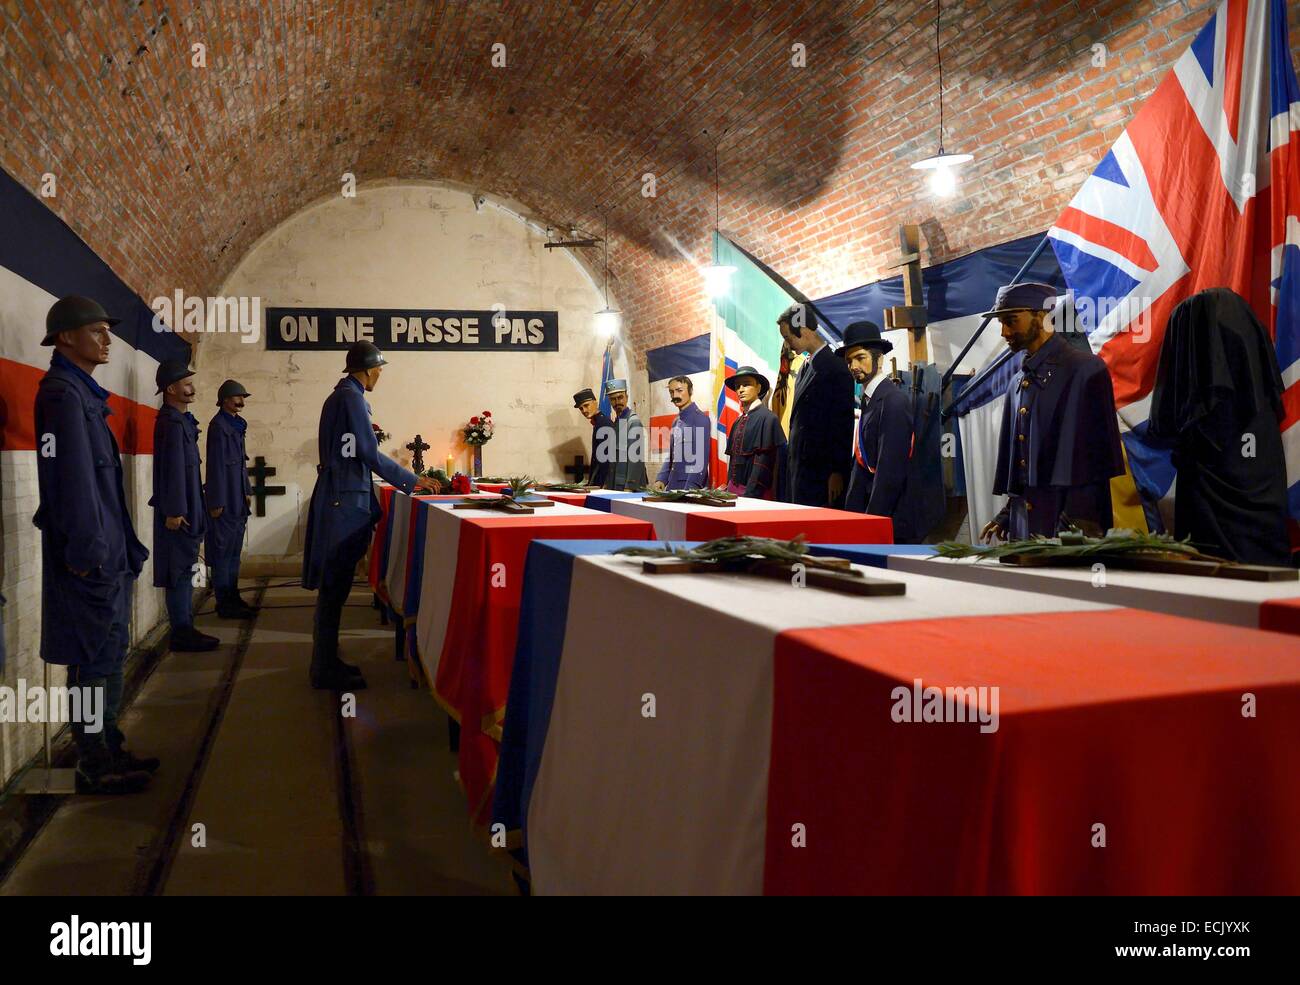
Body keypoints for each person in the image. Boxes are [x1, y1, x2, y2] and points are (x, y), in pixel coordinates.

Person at [33, 295, 155, 793]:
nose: (107, 340)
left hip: (108, 552)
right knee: (90, 659)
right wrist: (87, 556)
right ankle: (92, 763)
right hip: (91, 558)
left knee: (108, 655)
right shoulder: (62, 396)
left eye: (108, 331)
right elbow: (72, 483)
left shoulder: (83, 395)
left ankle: (108, 744)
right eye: (96, 331)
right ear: (66, 337)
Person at [303, 341, 441, 690]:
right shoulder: (351, 398)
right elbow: (366, 451)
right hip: (345, 501)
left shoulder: (342, 396)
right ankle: (323, 668)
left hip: (339, 495)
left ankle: (325, 661)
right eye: (379, 368)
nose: (380, 373)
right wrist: (411, 480)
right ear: (367, 370)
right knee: (335, 587)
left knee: (334, 588)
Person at [979, 283, 1126, 542]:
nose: (1004, 332)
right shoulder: (1017, 383)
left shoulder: (1085, 370)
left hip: (1066, 526)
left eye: (1011, 321)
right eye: (1001, 323)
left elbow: (1094, 462)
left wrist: (1075, 526)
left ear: (1041, 315)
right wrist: (1008, 513)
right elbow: (1025, 465)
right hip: (1025, 527)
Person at [152, 360, 219, 653]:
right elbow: (172, 470)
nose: (192, 388)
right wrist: (175, 510)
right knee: (179, 573)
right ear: (171, 389)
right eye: (187, 383)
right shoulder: (171, 423)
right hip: (180, 514)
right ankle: (181, 632)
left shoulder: (181, 422)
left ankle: (186, 627)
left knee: (185, 570)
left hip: (189, 509)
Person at [840, 321, 920, 543]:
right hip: (869, 511)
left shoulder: (893, 401)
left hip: (890, 518)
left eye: (860, 358)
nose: (853, 366)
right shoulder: (870, 399)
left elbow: (889, 471)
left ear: (880, 359)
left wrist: (871, 523)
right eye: (849, 361)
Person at [777, 303, 855, 506]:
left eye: (788, 337)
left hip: (820, 475)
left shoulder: (835, 368)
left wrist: (837, 471)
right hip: (800, 470)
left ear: (803, 330)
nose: (788, 345)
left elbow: (842, 424)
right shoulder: (806, 366)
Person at [206, 379, 257, 618]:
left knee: (234, 553)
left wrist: (247, 490)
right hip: (225, 499)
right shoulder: (219, 426)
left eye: (243, 397)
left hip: (237, 498)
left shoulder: (236, 425)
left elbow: (241, 464)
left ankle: (233, 597)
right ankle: (224, 603)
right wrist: (216, 501)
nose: (241, 401)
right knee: (223, 554)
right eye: (237, 397)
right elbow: (215, 466)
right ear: (225, 400)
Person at [724, 366, 787, 500]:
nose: (741, 389)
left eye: (746, 384)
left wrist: (750, 495)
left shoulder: (768, 418)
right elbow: (733, 460)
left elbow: (763, 464)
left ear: (758, 388)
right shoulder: (738, 421)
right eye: (737, 386)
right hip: (733, 492)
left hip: (755, 495)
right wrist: (728, 488)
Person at [653, 376, 710, 491]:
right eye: (671, 392)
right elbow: (672, 455)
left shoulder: (700, 419)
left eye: (679, 390)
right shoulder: (676, 421)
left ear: (690, 391)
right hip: (673, 486)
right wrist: (661, 479)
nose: (675, 396)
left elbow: (700, 462)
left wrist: (690, 489)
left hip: (688, 488)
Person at [603, 378, 649, 490]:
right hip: (615, 485)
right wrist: (607, 483)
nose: (617, 402)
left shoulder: (633, 422)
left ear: (627, 397)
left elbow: (636, 460)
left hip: (627, 487)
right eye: (613, 399)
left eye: (620, 397)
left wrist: (630, 487)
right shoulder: (617, 423)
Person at [572, 387, 612, 487]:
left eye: (586, 405)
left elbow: (605, 460)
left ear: (595, 403)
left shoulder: (603, 424)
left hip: (603, 483)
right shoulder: (599, 422)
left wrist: (599, 484)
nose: (584, 410)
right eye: (581, 408)